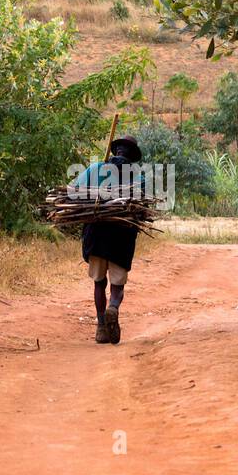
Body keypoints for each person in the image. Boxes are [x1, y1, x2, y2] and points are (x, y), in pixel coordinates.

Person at [70, 135, 145, 344]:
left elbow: (73, 192)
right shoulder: (137, 175)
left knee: (99, 282)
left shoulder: (96, 168)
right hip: (122, 236)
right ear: (132, 155)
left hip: (96, 234)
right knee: (117, 285)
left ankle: (101, 326)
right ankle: (113, 307)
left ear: (116, 151)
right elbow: (142, 208)